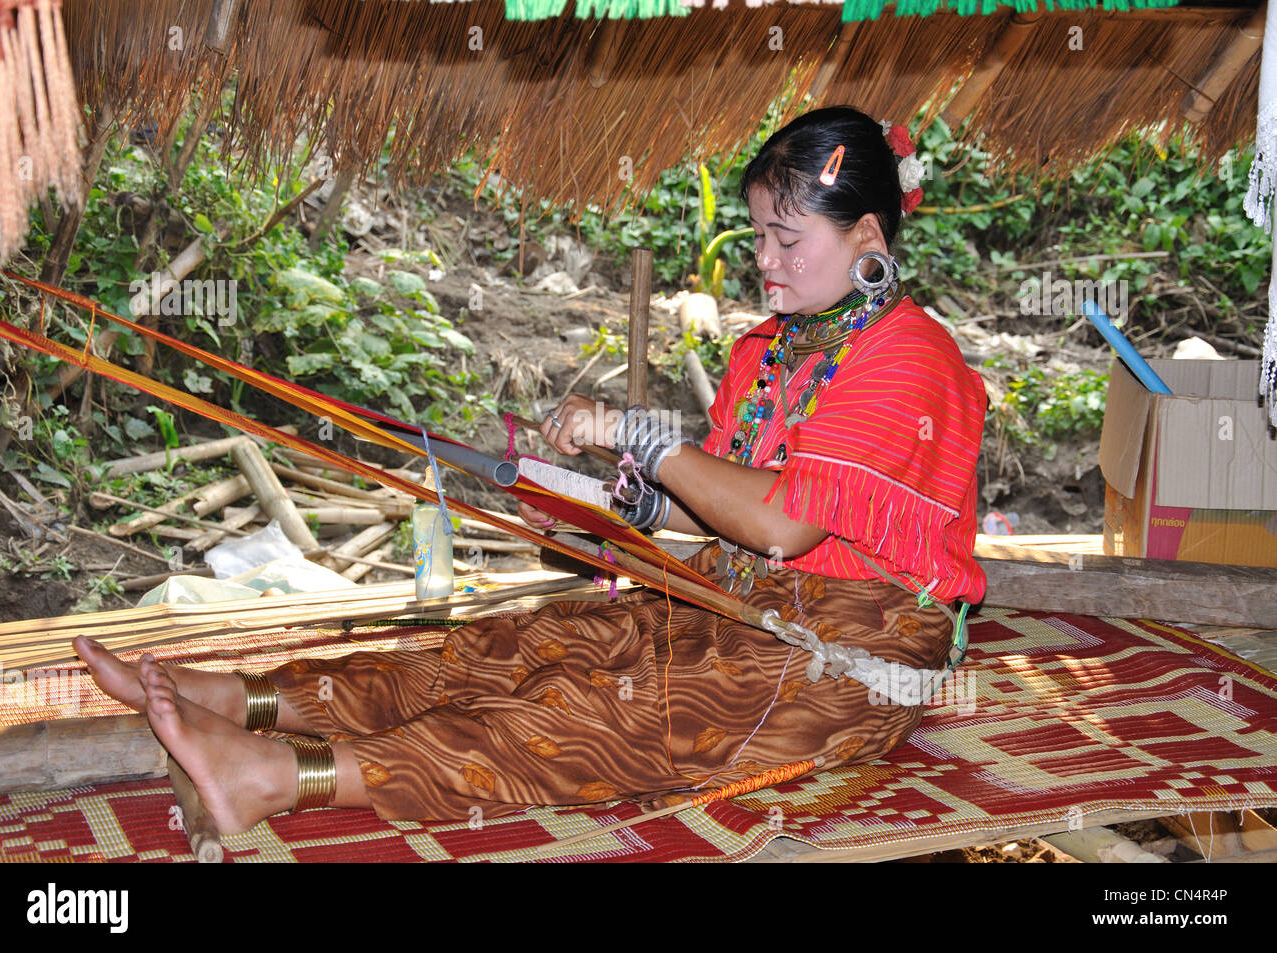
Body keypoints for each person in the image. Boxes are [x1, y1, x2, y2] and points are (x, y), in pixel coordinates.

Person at [75, 106, 987, 835]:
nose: (765, 263)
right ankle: (242, 696)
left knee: (594, 714)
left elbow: (786, 524)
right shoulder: (766, 353)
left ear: (867, 233)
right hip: (735, 599)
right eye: (757, 237)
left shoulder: (914, 363)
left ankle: (274, 774)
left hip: (853, 655)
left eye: (788, 240)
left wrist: (649, 441)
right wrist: (610, 507)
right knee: (521, 646)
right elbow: (719, 513)